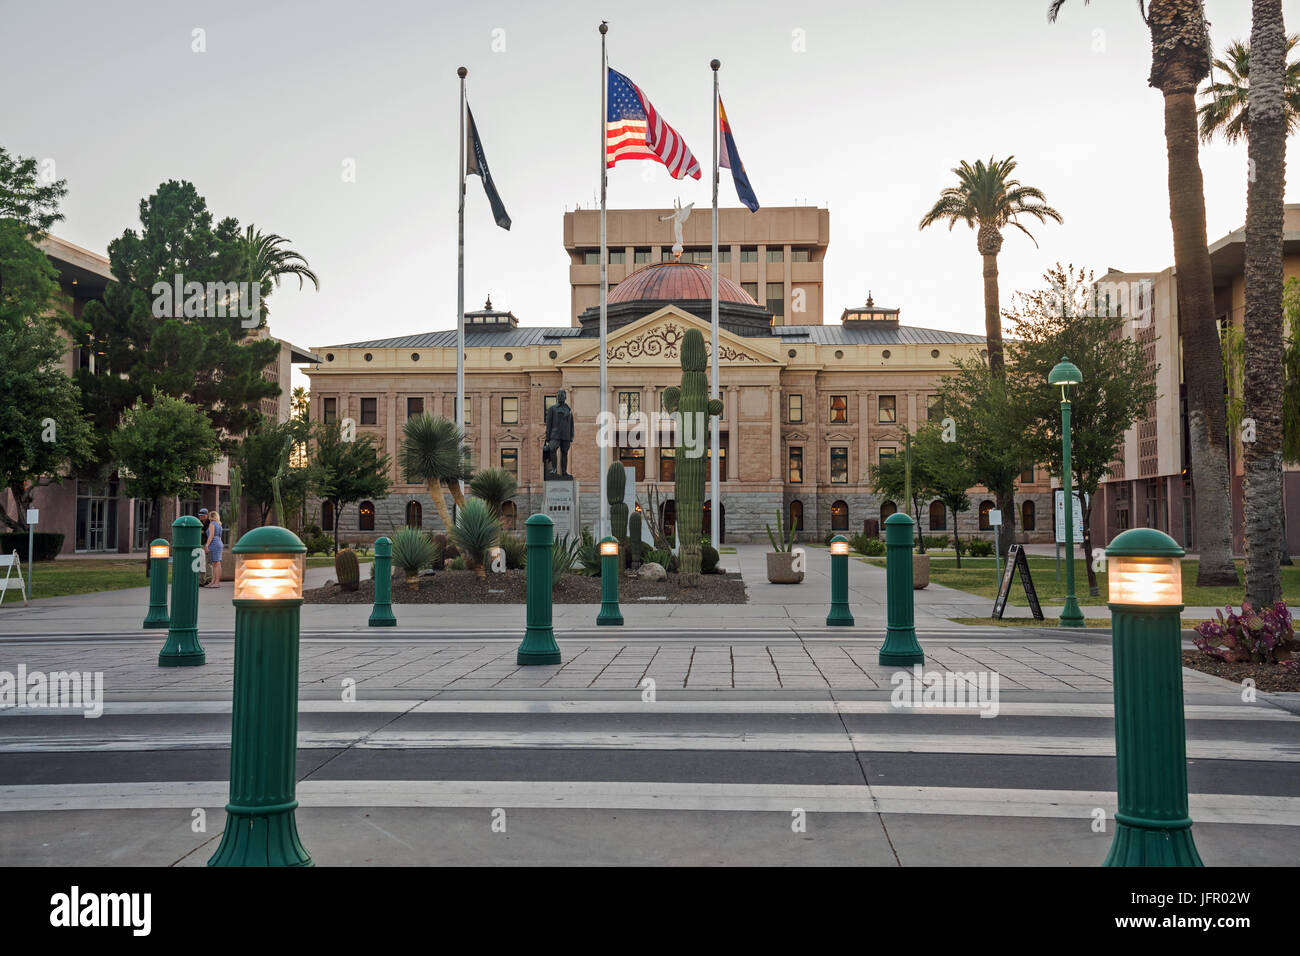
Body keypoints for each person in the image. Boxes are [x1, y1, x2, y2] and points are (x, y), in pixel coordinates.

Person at [204, 509, 224, 587]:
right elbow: (219, 536)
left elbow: (211, 535)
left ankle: (216, 582)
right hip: (219, 542)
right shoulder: (219, 524)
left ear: (211, 517)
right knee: (215, 563)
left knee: (216, 563)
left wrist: (207, 545)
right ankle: (213, 581)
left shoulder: (212, 523)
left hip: (214, 543)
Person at [197, 509, 213, 587]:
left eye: (203, 515)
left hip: (207, 544)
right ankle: (201, 580)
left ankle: (209, 579)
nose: (201, 516)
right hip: (201, 544)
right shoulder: (200, 522)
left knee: (207, 562)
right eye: (200, 515)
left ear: (207, 515)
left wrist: (207, 545)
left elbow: (206, 533)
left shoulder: (209, 523)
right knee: (202, 562)